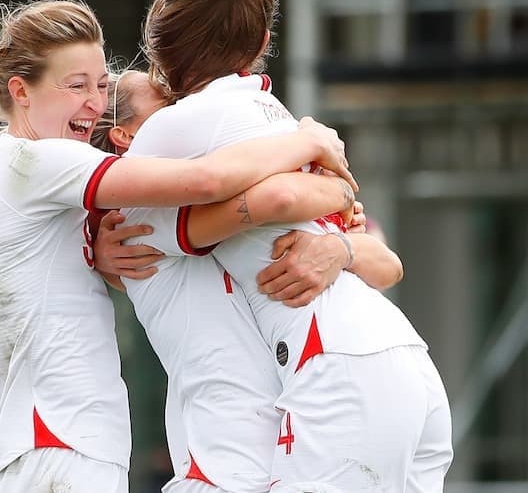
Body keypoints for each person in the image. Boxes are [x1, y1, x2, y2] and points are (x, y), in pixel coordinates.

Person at [0, 0, 355, 492]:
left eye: (99, 85)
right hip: (63, 442)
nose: (94, 103)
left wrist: (97, 251)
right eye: (75, 86)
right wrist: (310, 142)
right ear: (20, 92)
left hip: (46, 442)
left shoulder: (5, 166)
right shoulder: (39, 161)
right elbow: (204, 181)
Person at [116, 0, 451, 491]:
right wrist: (336, 192)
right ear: (264, 43)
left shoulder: (172, 130)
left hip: (336, 370)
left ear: (160, 37)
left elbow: (133, 233)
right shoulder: (277, 118)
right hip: (401, 356)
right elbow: (358, 240)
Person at [92, 70, 407, 492]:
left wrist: (340, 249)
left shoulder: (205, 194)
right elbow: (275, 199)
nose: (187, 109)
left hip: (271, 445)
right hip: (221, 462)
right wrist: (319, 156)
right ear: (126, 138)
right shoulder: (138, 213)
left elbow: (387, 264)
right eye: (168, 106)